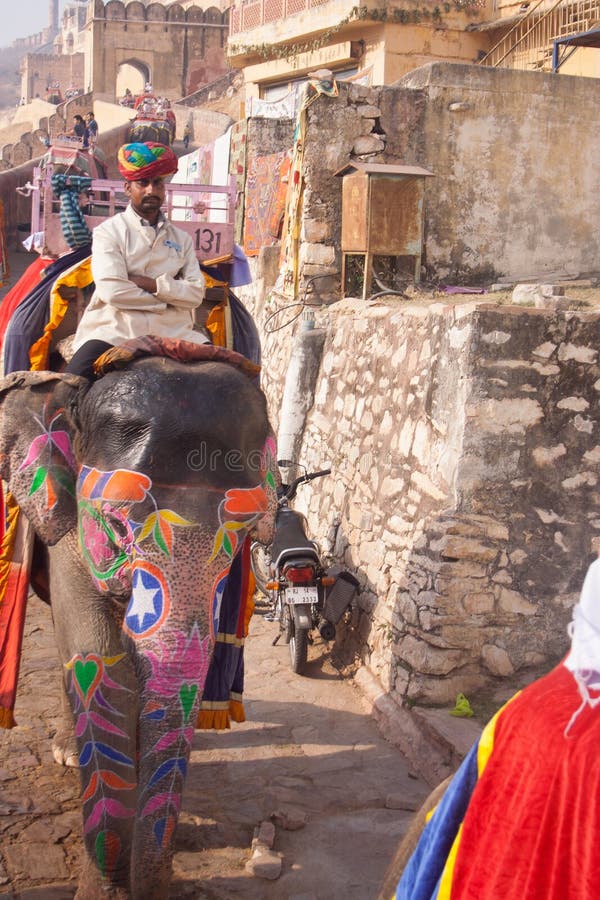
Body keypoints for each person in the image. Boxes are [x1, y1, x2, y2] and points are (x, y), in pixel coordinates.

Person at [66, 142, 209, 379]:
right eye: (143, 183)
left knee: (228, 380)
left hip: (174, 332)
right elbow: (113, 291)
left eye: (158, 183)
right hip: (114, 330)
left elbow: (195, 294)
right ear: (127, 188)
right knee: (69, 388)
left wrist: (150, 284)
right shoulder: (108, 232)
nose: (151, 190)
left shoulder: (181, 239)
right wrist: (168, 301)